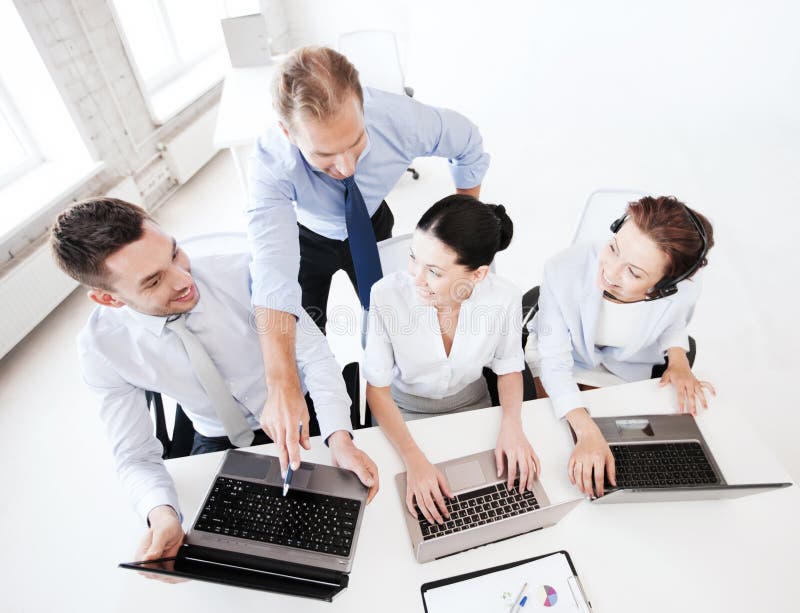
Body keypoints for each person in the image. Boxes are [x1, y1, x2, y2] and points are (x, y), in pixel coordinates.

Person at [50, 197, 379, 563]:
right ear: (108, 299)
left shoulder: (245, 272)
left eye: (175, 253)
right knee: (220, 549)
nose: (184, 280)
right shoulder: (100, 348)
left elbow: (315, 357)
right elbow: (134, 455)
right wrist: (161, 514)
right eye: (154, 280)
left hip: (302, 411)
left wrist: (340, 438)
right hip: (215, 435)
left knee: (343, 530)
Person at [245, 46, 490, 479]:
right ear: (288, 133)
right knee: (305, 335)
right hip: (305, 238)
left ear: (362, 104)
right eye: (324, 156)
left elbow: (469, 144)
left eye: (356, 143)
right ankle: (325, 428)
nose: (345, 166)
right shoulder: (270, 164)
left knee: (397, 319)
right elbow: (272, 274)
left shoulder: (401, 119)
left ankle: (393, 407)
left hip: (370, 221)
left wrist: (461, 225)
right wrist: (280, 382)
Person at [364, 195, 540, 525]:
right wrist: (413, 458)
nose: (416, 278)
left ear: (478, 274)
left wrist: (512, 426)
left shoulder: (504, 297)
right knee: (405, 513)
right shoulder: (386, 295)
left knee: (495, 500)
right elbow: (377, 389)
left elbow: (509, 367)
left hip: (471, 407)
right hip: (402, 414)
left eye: (434, 271)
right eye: (413, 258)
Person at [527, 195, 716, 498]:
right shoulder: (563, 269)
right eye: (614, 248)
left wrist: (678, 360)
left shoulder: (683, 291)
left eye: (634, 272)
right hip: (564, 359)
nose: (610, 272)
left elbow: (673, 323)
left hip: (623, 369)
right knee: (554, 442)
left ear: (666, 286)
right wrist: (586, 430)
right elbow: (554, 362)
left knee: (625, 457)